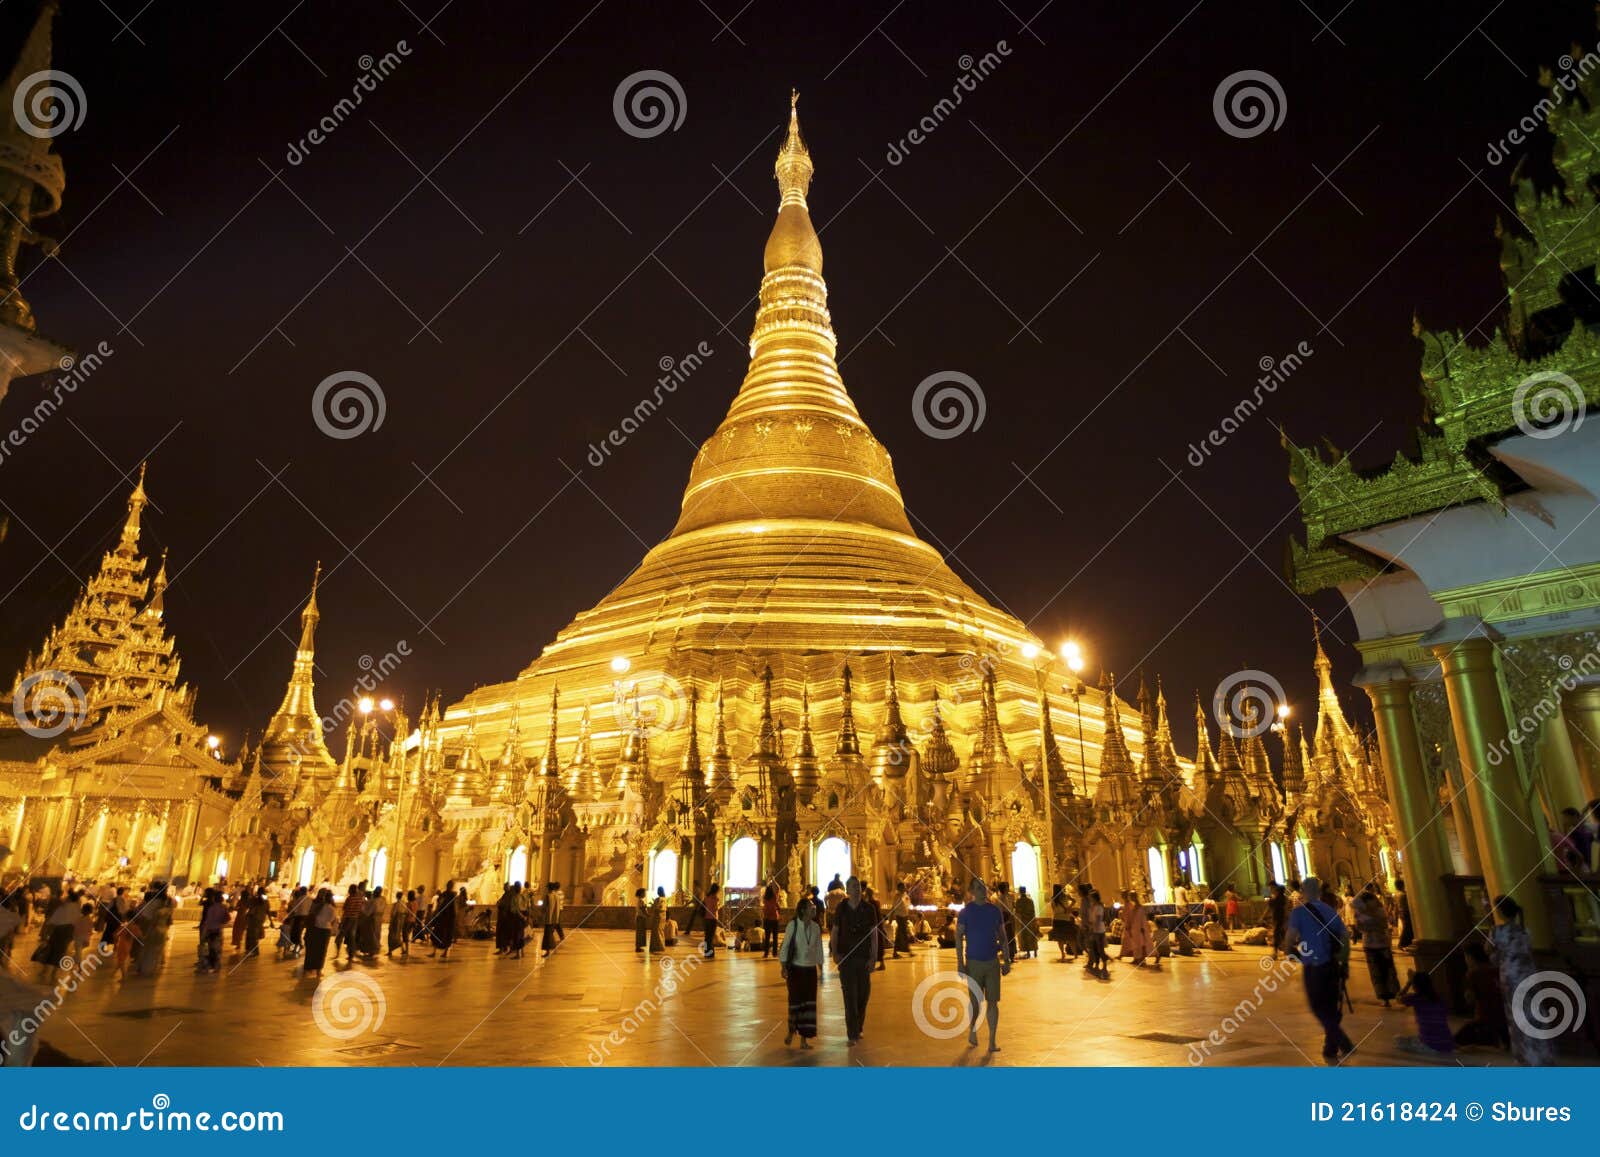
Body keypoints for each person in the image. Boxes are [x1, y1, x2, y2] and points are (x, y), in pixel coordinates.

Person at [1285, 877, 1354, 1062]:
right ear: (1319, 892)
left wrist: (1292, 952)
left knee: (1317, 1006)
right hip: (1332, 965)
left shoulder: (1298, 912)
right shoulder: (1329, 910)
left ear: (1303, 892)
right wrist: (1344, 962)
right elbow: (1344, 936)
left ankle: (1340, 1039)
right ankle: (1331, 1047)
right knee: (1330, 1007)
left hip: (1313, 967)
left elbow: (1289, 939)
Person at [1491, 895, 1554, 1066]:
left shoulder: (1497, 931)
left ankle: (1525, 1057)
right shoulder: (1525, 930)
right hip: (1528, 975)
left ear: (1500, 911)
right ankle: (1542, 1055)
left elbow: (1493, 955)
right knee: (1534, 1014)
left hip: (1510, 977)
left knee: (1517, 1018)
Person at [955, 878, 1012, 1052]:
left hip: (992, 962)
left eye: (984, 887)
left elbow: (1002, 936)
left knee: (993, 1002)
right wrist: (960, 962)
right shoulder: (965, 912)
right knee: (975, 1002)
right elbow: (958, 937)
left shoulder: (995, 911)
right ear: (972, 892)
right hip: (973, 962)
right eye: (978, 888)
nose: (982, 890)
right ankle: (973, 1029)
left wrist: (1006, 959)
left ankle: (992, 1040)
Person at [830, 876, 877, 1045]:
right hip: (846, 958)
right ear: (847, 890)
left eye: (858, 886)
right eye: (853, 887)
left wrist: (873, 957)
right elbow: (835, 931)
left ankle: (859, 1026)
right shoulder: (841, 908)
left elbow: (874, 934)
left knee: (863, 995)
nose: (856, 889)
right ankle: (852, 1033)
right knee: (850, 996)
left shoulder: (868, 909)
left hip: (863, 957)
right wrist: (835, 953)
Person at [780, 898, 823, 1048]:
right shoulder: (793, 925)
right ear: (803, 910)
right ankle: (791, 1032)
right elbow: (785, 945)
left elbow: (819, 948)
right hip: (796, 970)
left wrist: (821, 968)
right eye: (811, 906)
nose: (814, 908)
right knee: (795, 1003)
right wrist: (783, 966)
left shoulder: (816, 927)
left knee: (808, 1004)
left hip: (810, 970)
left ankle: (804, 1040)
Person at [1454, 943, 1509, 1049]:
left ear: (1470, 957)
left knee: (1454, 1042)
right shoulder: (1497, 970)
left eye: (1466, 957)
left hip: (1484, 1019)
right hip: (1505, 1018)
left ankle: (1490, 1039)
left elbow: (1470, 1000)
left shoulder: (1473, 973)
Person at [1352, 884, 1398, 1005]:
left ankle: (1385, 997)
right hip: (1382, 943)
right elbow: (1383, 925)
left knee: (1377, 972)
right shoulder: (1379, 911)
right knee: (1387, 969)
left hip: (1370, 944)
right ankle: (1390, 994)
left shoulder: (1363, 914)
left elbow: (1360, 927)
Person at [1395, 970, 1455, 1058]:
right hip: (1447, 1043)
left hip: (1430, 1045)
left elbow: (1398, 998)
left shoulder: (1415, 998)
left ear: (1415, 986)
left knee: (1398, 1039)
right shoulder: (1439, 998)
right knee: (1411, 1039)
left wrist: (1408, 983)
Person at [302, 888, 335, 978]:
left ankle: (308, 968)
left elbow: (310, 914)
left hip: (313, 929)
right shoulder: (329, 907)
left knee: (311, 950)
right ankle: (318, 970)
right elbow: (331, 919)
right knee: (321, 951)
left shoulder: (315, 904)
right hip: (324, 930)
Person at [1118, 890, 1155, 967]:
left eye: (1131, 896)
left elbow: (1142, 919)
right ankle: (1136, 958)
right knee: (1135, 944)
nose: (1130, 897)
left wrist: (1142, 928)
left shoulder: (1139, 907)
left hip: (1140, 929)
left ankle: (1143, 959)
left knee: (1142, 944)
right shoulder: (1134, 906)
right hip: (1134, 929)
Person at [197, 888, 229, 974]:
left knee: (207, 947)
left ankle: (207, 965)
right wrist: (220, 922)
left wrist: (204, 932)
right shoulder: (223, 907)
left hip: (210, 930)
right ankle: (216, 965)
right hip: (218, 930)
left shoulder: (212, 907)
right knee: (216, 948)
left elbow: (208, 921)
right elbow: (227, 918)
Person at [430, 879, 457, 959]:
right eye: (448, 885)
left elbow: (453, 908)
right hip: (441, 918)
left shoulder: (452, 895)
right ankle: (434, 952)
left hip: (448, 918)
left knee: (447, 936)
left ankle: (445, 952)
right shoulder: (444, 894)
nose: (449, 886)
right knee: (436, 934)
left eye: (450, 885)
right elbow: (440, 903)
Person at [1048, 885, 1077, 960]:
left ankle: (1062, 954)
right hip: (1066, 918)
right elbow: (1074, 901)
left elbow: (1053, 910)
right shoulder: (1066, 896)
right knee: (1070, 938)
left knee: (1059, 938)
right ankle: (1075, 954)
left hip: (1057, 919)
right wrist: (1069, 907)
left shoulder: (1053, 898)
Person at [863, 885, 886, 971]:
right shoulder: (876, 902)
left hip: (873, 925)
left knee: (872, 945)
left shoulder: (870, 903)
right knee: (878, 944)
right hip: (878, 924)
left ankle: (872, 964)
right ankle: (881, 963)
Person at [1014, 885, 1038, 959]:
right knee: (1032, 936)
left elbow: (1017, 911)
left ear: (1020, 892)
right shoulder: (1030, 900)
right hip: (1031, 920)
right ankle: (1035, 951)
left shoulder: (1018, 901)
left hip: (1023, 920)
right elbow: (1033, 911)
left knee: (1025, 936)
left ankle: (1028, 952)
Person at [540, 882, 563, 957]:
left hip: (548, 919)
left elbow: (544, 908)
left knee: (547, 935)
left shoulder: (548, 896)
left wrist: (541, 915)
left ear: (549, 888)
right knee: (550, 934)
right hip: (555, 919)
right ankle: (552, 948)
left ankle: (547, 951)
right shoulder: (557, 896)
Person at [889, 882, 912, 959]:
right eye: (902, 887)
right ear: (899, 888)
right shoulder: (896, 897)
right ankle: (906, 951)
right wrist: (890, 917)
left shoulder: (906, 896)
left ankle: (899, 952)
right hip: (899, 917)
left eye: (904, 887)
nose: (904, 888)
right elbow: (893, 907)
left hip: (905, 917)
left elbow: (907, 906)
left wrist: (908, 916)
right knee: (902, 934)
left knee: (902, 934)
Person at [1267, 882, 1288, 960]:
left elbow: (1284, 908)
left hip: (1278, 918)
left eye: (1271, 887)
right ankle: (1286, 950)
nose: (1270, 889)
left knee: (1277, 934)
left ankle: (1275, 953)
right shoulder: (1278, 897)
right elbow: (1270, 908)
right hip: (1278, 918)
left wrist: (1286, 917)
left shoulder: (1278, 898)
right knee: (1281, 934)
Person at [761, 884, 782, 959]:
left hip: (767, 919)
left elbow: (764, 907)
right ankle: (774, 953)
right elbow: (778, 888)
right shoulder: (774, 897)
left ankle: (766, 953)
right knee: (775, 937)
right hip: (774, 919)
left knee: (767, 937)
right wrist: (774, 881)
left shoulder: (764, 898)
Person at [700, 883, 721, 959]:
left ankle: (706, 952)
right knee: (711, 937)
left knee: (707, 937)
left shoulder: (706, 897)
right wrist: (719, 905)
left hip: (706, 918)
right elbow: (715, 908)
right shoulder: (715, 898)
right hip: (713, 919)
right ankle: (710, 953)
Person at [1393, 878, 1413, 949]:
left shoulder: (1396, 894)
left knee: (1406, 927)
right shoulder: (1403, 894)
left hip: (1401, 912)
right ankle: (1402, 943)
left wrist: (1396, 915)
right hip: (1406, 912)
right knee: (1407, 928)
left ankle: (1406, 943)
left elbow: (1396, 906)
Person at [649, 887, 666, 953]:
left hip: (657, 916)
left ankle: (657, 946)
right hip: (663, 916)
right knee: (661, 931)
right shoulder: (664, 899)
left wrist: (652, 906)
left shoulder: (658, 899)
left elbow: (655, 908)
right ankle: (662, 946)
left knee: (656, 931)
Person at [634, 887, 651, 952]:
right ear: (641, 893)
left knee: (640, 933)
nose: (645, 894)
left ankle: (638, 947)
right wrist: (648, 915)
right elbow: (643, 910)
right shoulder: (641, 901)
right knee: (640, 933)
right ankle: (638, 947)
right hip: (641, 918)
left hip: (639, 918)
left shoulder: (639, 900)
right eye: (644, 893)